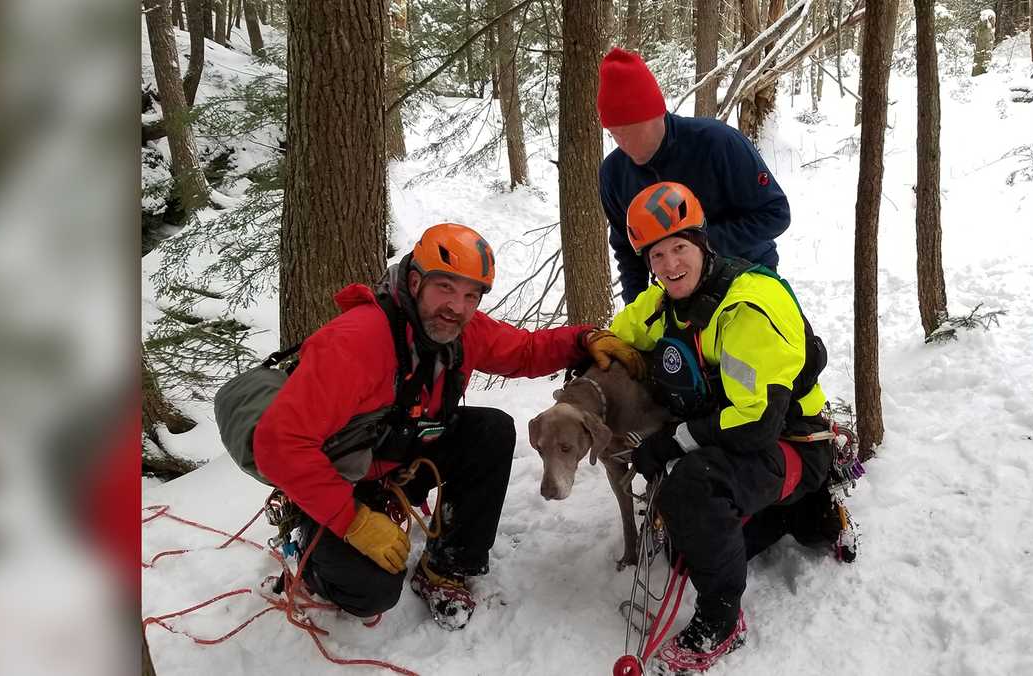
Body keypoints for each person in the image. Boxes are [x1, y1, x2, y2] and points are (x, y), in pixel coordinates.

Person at [252, 223, 644, 630]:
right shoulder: (356, 342)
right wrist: (354, 521)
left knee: (490, 430)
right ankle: (306, 557)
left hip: (400, 459)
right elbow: (277, 444)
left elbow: (525, 351)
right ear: (416, 281)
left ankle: (445, 567)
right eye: (445, 288)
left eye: (470, 295)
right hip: (340, 480)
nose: (457, 306)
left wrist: (584, 340)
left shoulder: (460, 331)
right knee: (372, 593)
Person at [608, 183, 840, 674]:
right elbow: (620, 332)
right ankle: (804, 516)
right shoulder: (665, 300)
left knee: (692, 486)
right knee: (683, 550)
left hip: (792, 442)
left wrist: (671, 441)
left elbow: (755, 423)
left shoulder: (745, 306)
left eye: (680, 248)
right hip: (751, 446)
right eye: (658, 254)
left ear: (702, 244)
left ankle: (721, 619)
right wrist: (590, 347)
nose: (671, 264)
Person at [597, 47, 792, 304]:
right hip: (677, 295)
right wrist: (638, 310)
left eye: (634, 130)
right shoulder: (614, 173)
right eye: (615, 134)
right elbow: (628, 250)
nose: (626, 144)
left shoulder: (717, 143)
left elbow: (775, 214)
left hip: (747, 279)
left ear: (658, 114)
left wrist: (702, 247)